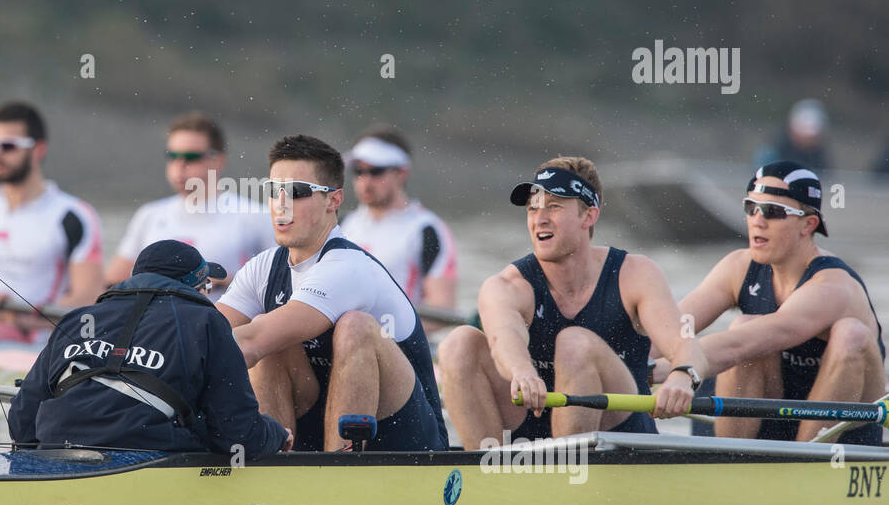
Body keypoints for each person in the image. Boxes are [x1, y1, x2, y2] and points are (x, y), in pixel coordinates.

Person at [436, 156, 706, 448]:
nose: (539, 219)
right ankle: (485, 472)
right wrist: (522, 371)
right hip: (532, 428)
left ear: (588, 216)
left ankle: (567, 475)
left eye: (553, 207)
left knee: (574, 343)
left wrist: (683, 374)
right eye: (533, 208)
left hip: (619, 434)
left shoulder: (636, 274)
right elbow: (504, 336)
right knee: (458, 343)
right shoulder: (507, 285)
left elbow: (685, 340)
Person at [217, 135, 449, 452]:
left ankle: (338, 469)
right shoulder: (262, 268)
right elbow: (207, 332)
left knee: (354, 326)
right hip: (318, 423)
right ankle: (270, 464)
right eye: (273, 191)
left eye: (296, 192)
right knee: (266, 334)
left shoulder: (348, 266)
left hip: (409, 439)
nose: (281, 203)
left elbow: (249, 343)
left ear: (333, 200)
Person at [655, 162, 885, 445]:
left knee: (850, 334)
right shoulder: (737, 268)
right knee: (745, 327)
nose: (757, 220)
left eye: (774, 212)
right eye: (751, 207)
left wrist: (679, 370)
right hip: (767, 425)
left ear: (808, 224)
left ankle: (804, 465)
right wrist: (624, 360)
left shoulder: (834, 287)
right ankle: (729, 458)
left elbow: (743, 344)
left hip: (836, 440)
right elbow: (669, 331)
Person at [9, 240, 292, 457]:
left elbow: (22, 418)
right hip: (149, 459)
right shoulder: (207, 322)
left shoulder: (78, 318)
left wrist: (41, 460)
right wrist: (276, 435)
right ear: (195, 286)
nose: (207, 292)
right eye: (206, 285)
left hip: (56, 450)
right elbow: (237, 434)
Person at [0, 102, 103, 334]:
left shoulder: (73, 216)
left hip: (28, 337)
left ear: (38, 150)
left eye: (8, 146)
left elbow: (88, 302)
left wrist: (22, 317)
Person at [105, 111, 272, 299]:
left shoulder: (256, 216)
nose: (179, 165)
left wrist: (228, 281)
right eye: (173, 156)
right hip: (158, 325)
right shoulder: (149, 215)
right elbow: (112, 284)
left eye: (191, 157)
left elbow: (281, 283)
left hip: (225, 325)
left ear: (218, 160)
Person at [339, 125, 458, 311]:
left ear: (401, 173)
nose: (366, 182)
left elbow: (443, 309)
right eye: (359, 172)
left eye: (376, 172)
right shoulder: (342, 224)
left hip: (394, 338)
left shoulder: (427, 230)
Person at [753, 98, 830, 173]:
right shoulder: (771, 154)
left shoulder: (819, 157)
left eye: (813, 137)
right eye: (805, 134)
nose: (809, 141)